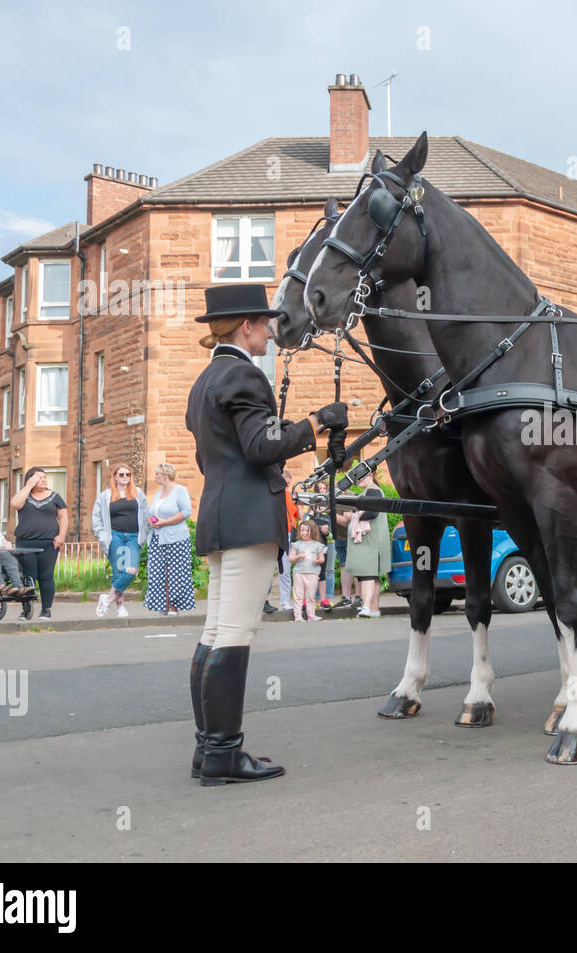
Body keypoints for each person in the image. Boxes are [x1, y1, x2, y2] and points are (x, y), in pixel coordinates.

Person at [185, 283, 347, 786]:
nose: (273, 332)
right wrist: (316, 422)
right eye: (267, 322)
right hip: (249, 519)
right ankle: (223, 756)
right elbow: (261, 446)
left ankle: (208, 748)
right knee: (233, 634)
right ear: (247, 326)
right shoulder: (243, 376)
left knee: (214, 634)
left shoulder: (206, 380)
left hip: (219, 513)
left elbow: (213, 456)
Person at [91, 464, 151, 618]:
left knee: (131, 570)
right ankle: (120, 607)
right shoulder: (106, 495)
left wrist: (146, 531)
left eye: (128, 474)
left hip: (133, 537)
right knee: (119, 571)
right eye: (122, 474)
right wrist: (100, 534)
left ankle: (107, 598)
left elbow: (145, 514)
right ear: (115, 477)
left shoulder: (138, 494)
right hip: (115, 536)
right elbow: (96, 517)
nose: (125, 477)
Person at [11, 467, 68, 620]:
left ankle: (46, 609)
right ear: (30, 479)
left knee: (46, 575)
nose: (43, 479)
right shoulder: (24, 496)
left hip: (49, 543)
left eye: (44, 477)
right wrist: (28, 486)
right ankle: (26, 609)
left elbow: (63, 516)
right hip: (25, 543)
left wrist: (61, 536)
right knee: (28, 577)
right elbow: (15, 504)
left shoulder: (55, 496)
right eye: (39, 477)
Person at [336, 468, 390, 618]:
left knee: (367, 575)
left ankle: (366, 607)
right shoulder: (373, 491)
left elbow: (373, 512)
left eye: (361, 477)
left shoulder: (372, 490)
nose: (358, 480)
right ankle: (374, 609)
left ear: (371, 475)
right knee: (374, 576)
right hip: (373, 541)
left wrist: (353, 515)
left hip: (370, 542)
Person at [144, 463, 195, 616]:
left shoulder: (180, 491)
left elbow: (186, 512)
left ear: (165, 475)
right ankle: (163, 605)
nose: (155, 477)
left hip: (176, 538)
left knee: (176, 572)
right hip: (157, 538)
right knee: (156, 572)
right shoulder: (159, 493)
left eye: (157, 474)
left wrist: (164, 522)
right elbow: (153, 512)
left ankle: (174, 606)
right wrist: (151, 520)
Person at [265, 468, 300, 615]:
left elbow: (299, 516)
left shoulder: (290, 496)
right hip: (275, 532)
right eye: (285, 483)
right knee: (267, 569)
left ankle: (285, 601)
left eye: (289, 484)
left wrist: (298, 502)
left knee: (285, 570)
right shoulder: (272, 496)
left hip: (289, 533)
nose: (287, 486)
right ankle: (264, 601)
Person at [289, 519, 327, 621]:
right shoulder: (297, 544)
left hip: (313, 573)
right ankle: (298, 615)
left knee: (311, 595)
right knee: (298, 595)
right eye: (302, 530)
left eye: (307, 530)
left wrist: (317, 560)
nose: (304, 533)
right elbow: (291, 558)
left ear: (313, 531)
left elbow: (322, 559)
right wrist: (298, 556)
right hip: (299, 573)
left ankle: (311, 614)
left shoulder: (317, 545)